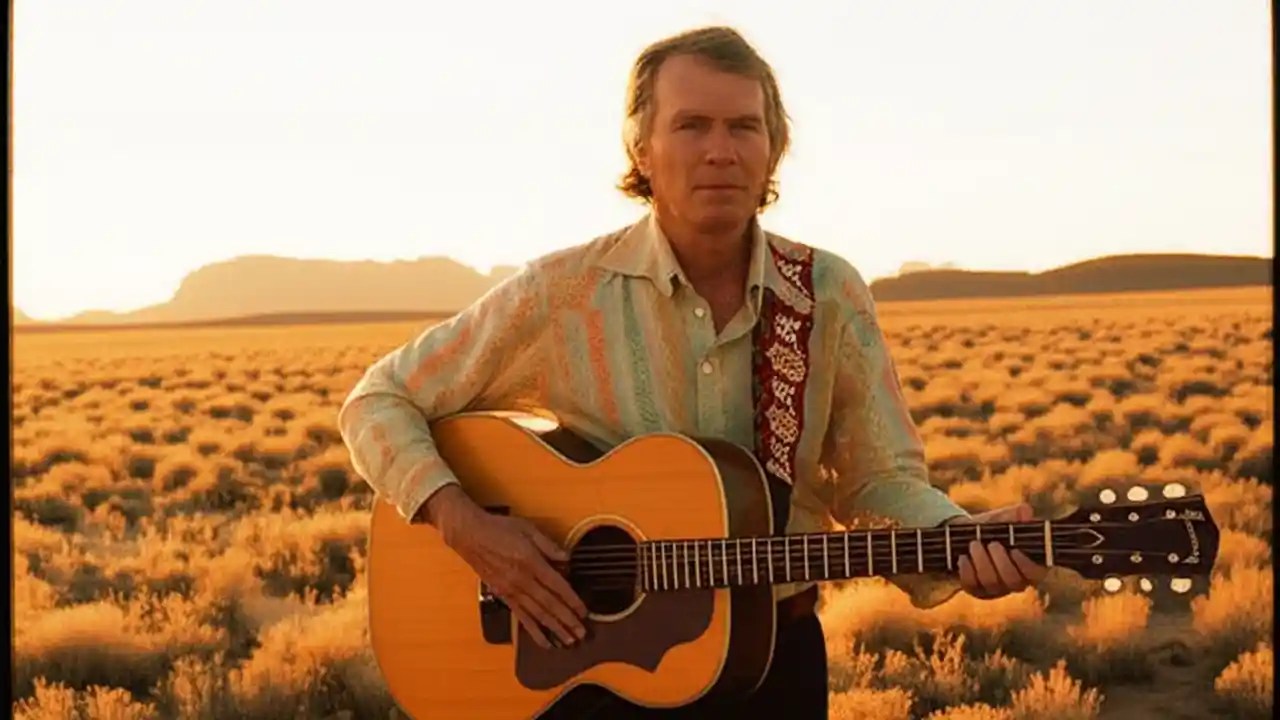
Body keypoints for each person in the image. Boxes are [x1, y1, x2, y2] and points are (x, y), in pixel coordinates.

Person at [339, 25, 1047, 719]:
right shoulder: (562, 293)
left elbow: (877, 483)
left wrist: (958, 542)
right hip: (586, 667)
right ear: (640, 149)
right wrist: (467, 528)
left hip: (771, 659)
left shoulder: (826, 293)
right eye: (691, 126)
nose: (720, 151)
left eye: (744, 127)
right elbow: (378, 400)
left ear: (774, 151)